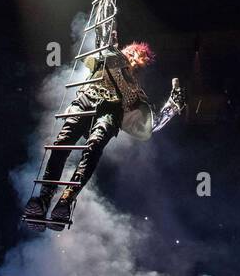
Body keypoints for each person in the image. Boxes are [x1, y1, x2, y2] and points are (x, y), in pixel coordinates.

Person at [24, 32, 181, 230]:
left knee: (95, 146)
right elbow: (103, 40)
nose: (134, 62)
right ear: (128, 52)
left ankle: (67, 199)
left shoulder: (136, 91)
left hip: (111, 111)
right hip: (86, 101)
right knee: (61, 143)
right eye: (133, 56)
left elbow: (152, 123)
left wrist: (173, 106)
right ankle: (44, 197)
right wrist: (107, 23)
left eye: (140, 62)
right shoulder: (111, 59)